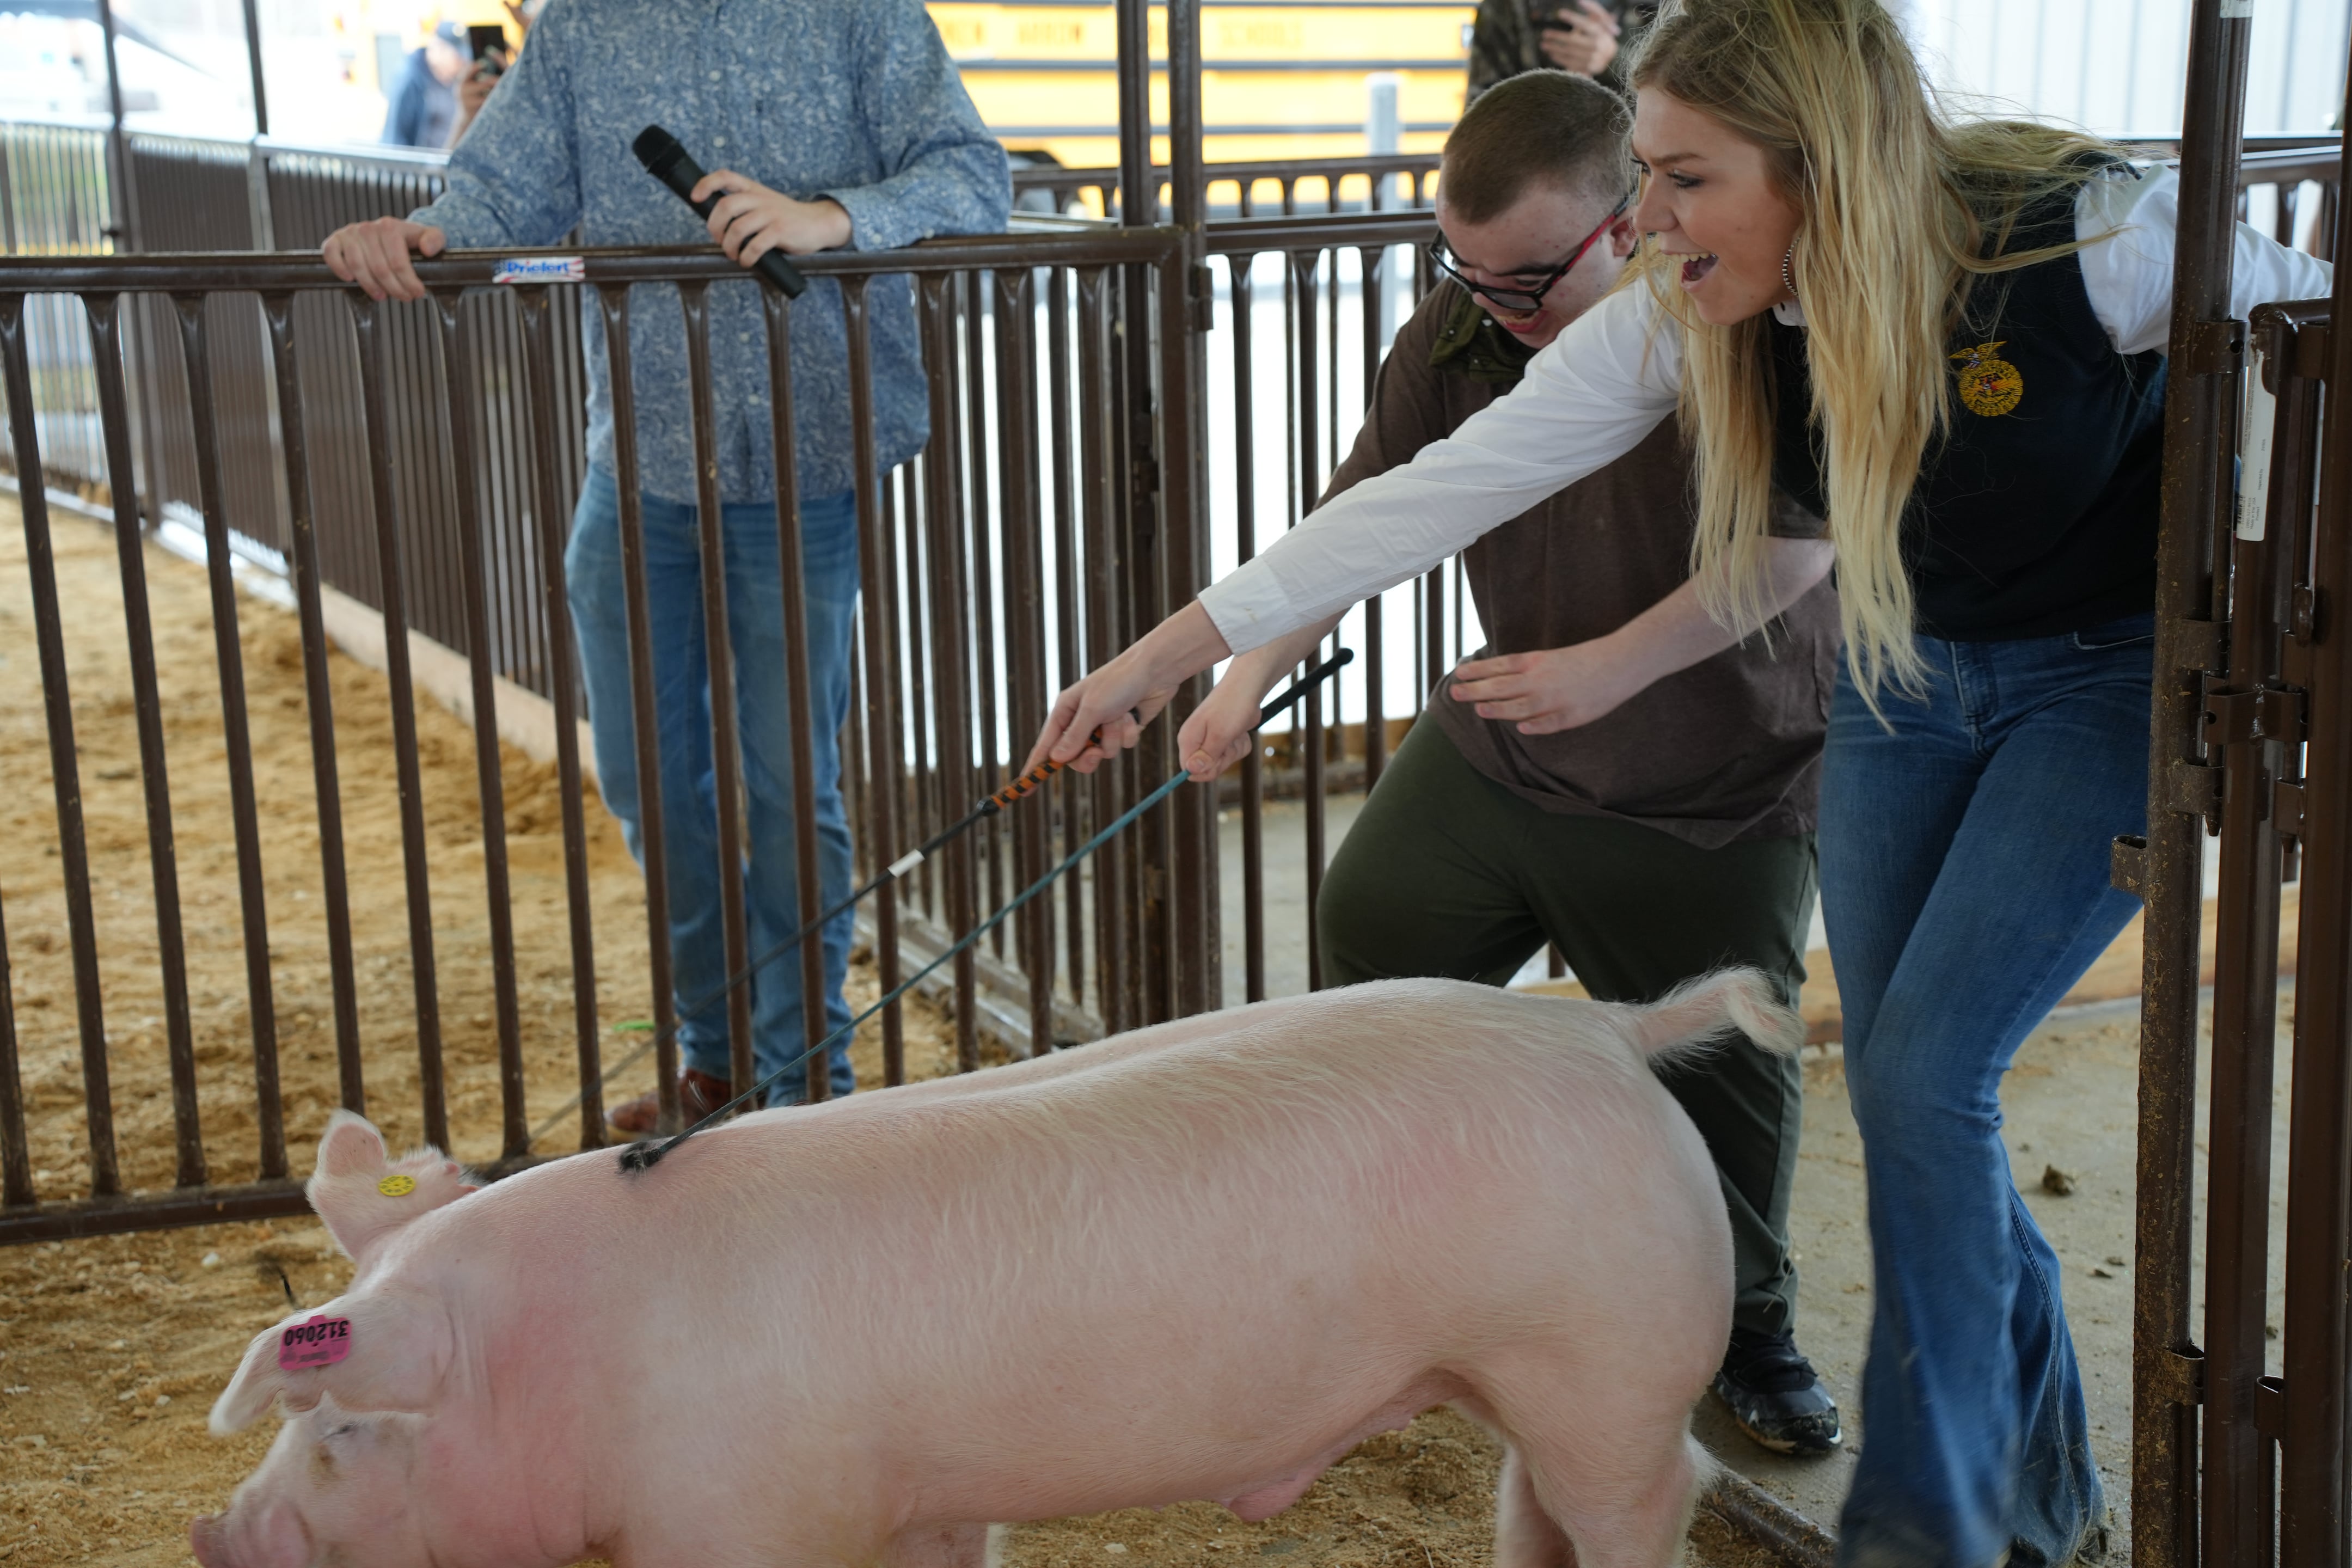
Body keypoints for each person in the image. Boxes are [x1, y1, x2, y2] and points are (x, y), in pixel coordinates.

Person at [1026, 0, 2329, 1561]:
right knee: (1936, 1107)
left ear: (1816, 163)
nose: (1644, 219)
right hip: (1906, 678)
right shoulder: (1686, 317)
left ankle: (1940, 1531)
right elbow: (1442, 489)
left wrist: (2296, 631)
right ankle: (2039, 1494)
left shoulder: (2088, 242)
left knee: (1921, 1081)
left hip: (2106, 675)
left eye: (1684, 177)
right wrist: (1165, 658)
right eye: (1642, 175)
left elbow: (2309, 339)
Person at [1277, 68, 1842, 1455]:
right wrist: (1236, 680)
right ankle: (1423, 1261)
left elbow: (1794, 545)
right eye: (1464, 273)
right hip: (1511, 738)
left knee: (1723, 1037)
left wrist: (1608, 668)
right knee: (1373, 927)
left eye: (1528, 278)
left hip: (1714, 767)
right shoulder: (1468, 333)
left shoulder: (1745, 326)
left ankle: (1747, 1322)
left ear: (1633, 221)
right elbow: (1364, 512)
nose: (1497, 310)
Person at [324, 0, 1012, 1130]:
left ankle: (806, 1090)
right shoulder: (587, 28)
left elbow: (973, 176)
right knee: (647, 777)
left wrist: (828, 218)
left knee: (794, 785)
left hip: (810, 452)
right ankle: (721, 1060)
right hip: (639, 454)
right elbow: (503, 195)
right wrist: (420, 231)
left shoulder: (864, 15)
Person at [1464, 0, 1656, 101]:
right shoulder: (1507, 7)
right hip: (1534, 162)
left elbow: (1676, 98)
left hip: (1634, 168)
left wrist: (1614, 62)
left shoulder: (1668, 5)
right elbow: (1481, 116)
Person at [379, 20, 470, 150]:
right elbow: (395, 138)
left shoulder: (455, 79)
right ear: (438, 48)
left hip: (449, 163)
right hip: (422, 167)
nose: (463, 62)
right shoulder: (410, 80)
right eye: (457, 56)